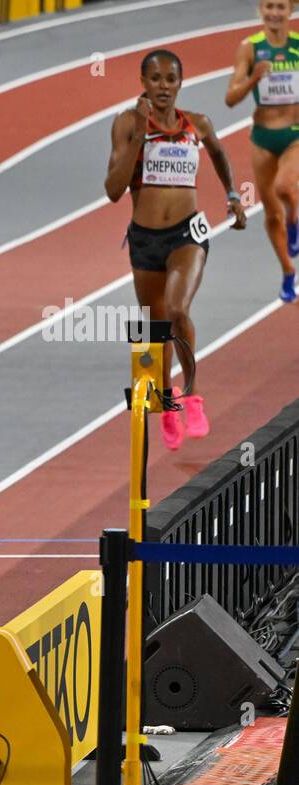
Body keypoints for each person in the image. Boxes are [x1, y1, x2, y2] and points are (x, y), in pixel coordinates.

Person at [104, 50, 247, 452]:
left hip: (188, 234)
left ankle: (194, 395)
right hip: (145, 240)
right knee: (157, 328)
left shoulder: (197, 124)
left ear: (180, 83)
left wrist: (233, 195)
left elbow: (219, 153)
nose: (163, 86)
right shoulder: (126, 124)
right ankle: (167, 405)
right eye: (155, 79)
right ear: (143, 82)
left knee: (178, 308)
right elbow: (113, 190)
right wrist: (138, 135)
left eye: (170, 78)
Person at [225, 0, 299, 303]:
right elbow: (230, 98)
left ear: (291, 9)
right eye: (269, 5)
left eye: (280, 6)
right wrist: (254, 78)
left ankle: (294, 220)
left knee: (286, 189)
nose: (274, 12)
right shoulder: (249, 48)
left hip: (295, 134)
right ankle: (287, 273)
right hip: (262, 138)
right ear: (260, 9)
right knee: (270, 215)